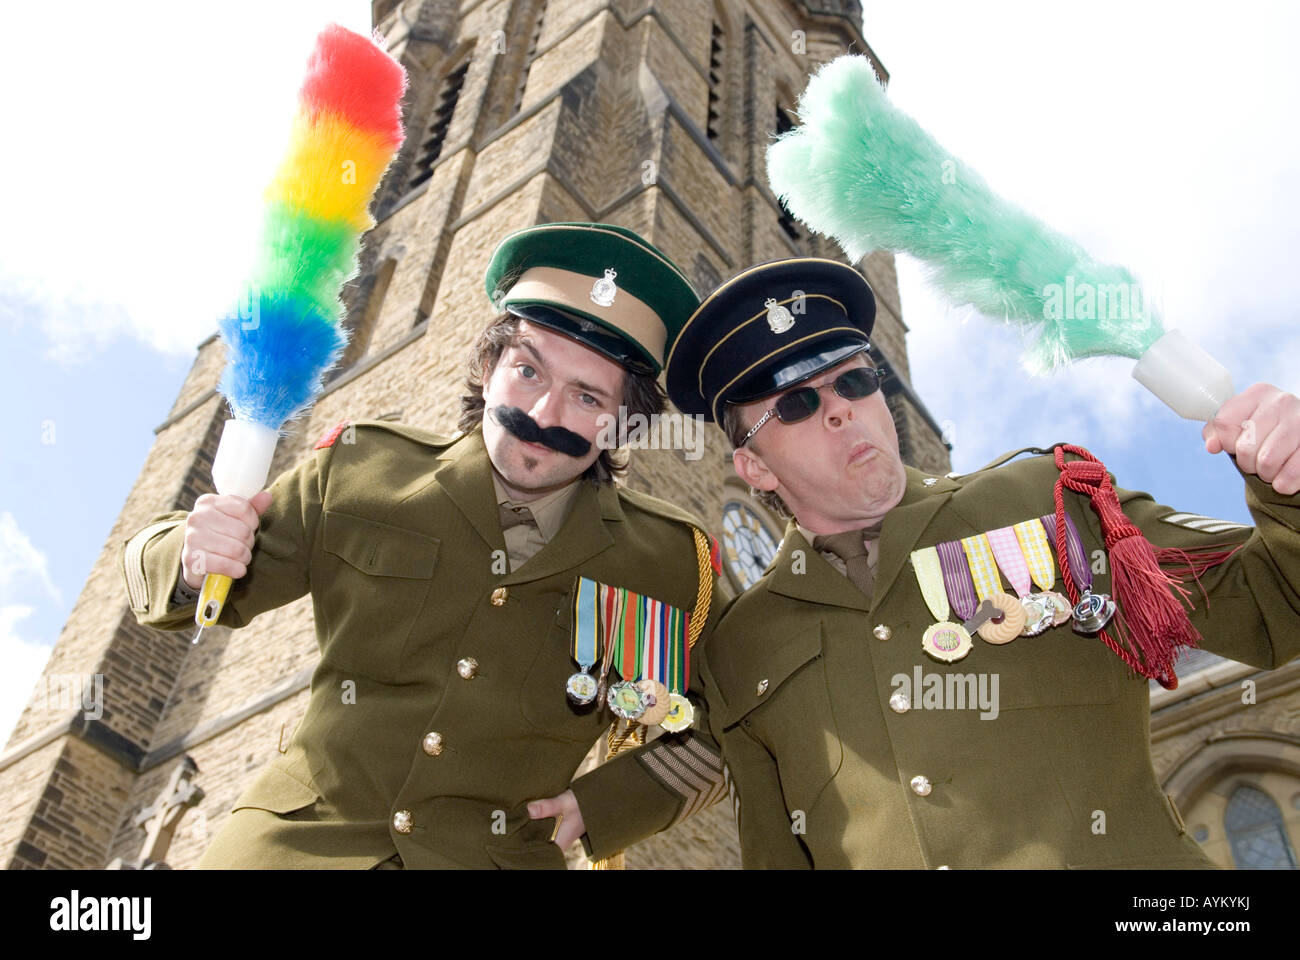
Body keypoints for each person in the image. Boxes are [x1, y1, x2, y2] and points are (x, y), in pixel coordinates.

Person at [120, 222, 729, 868]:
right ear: (489, 367)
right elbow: (168, 583)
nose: (544, 413)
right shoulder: (360, 470)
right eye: (528, 370)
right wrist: (191, 557)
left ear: (621, 423)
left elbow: (736, 720)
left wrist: (605, 806)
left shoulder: (669, 564)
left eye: (586, 396)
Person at [663, 256, 1300, 869]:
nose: (839, 408)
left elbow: (1273, 602)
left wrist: (1288, 489)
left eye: (854, 380)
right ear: (754, 466)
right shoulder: (740, 648)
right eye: (796, 405)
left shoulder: (1051, 498)